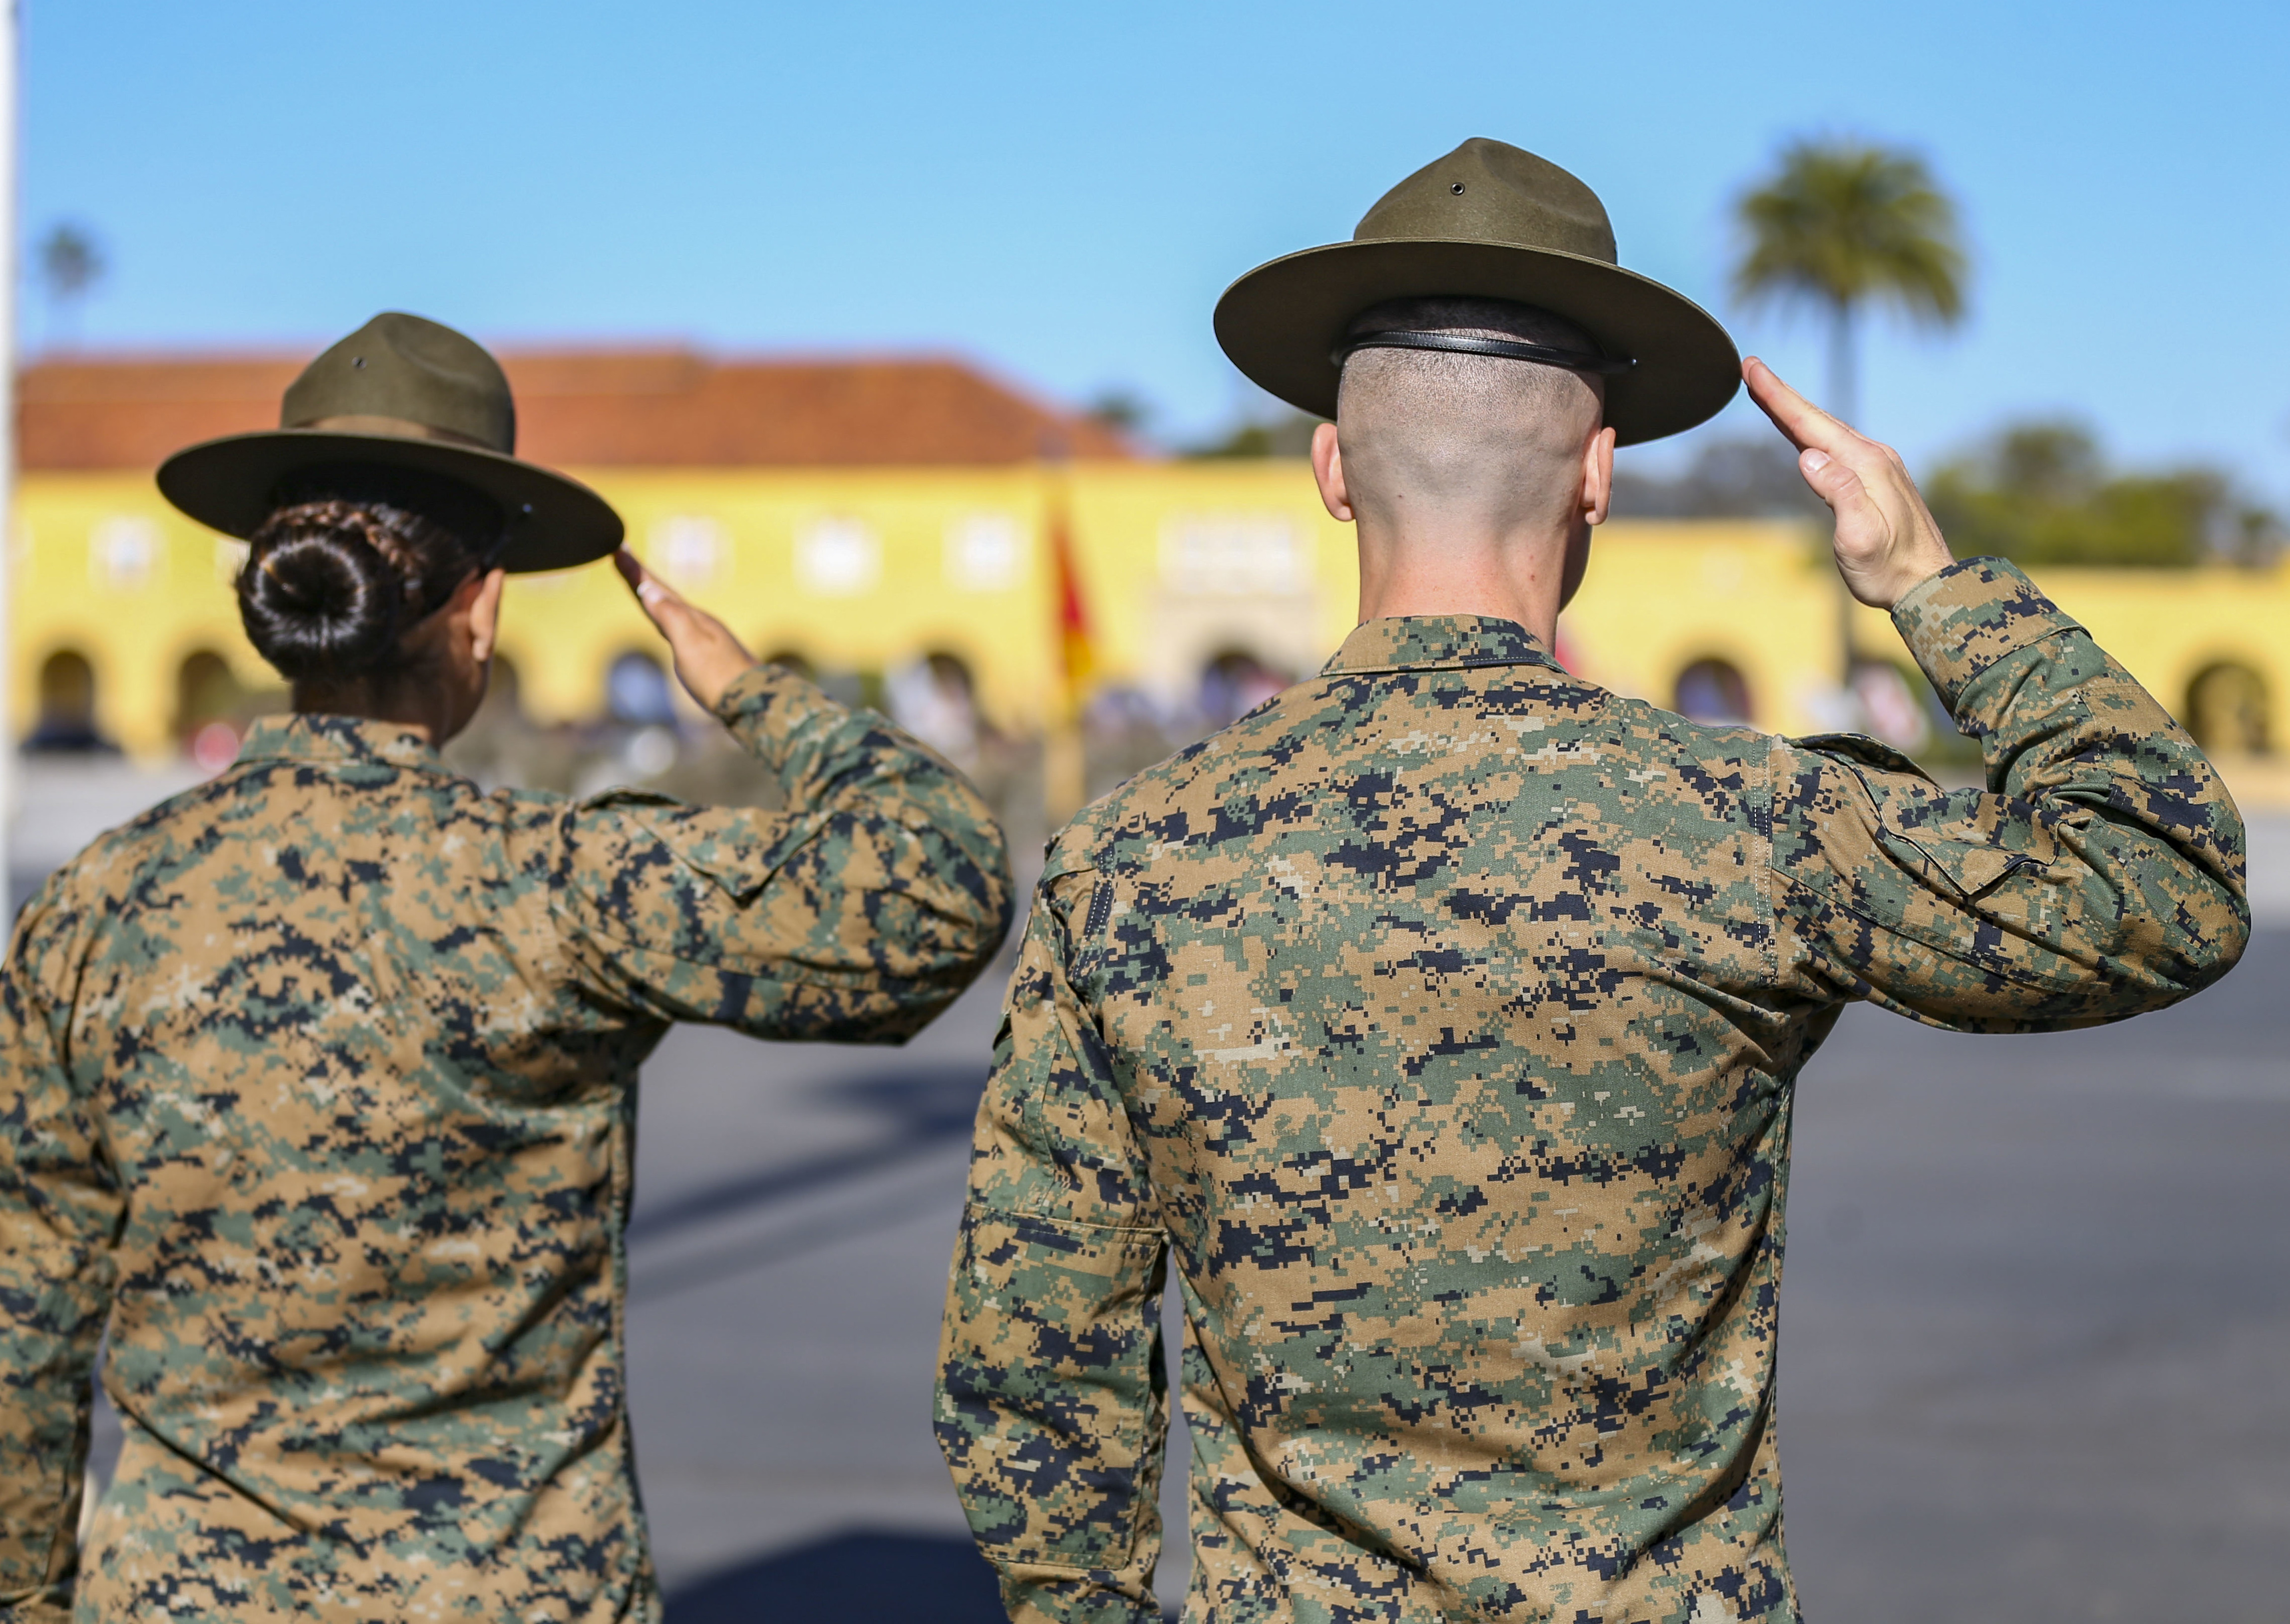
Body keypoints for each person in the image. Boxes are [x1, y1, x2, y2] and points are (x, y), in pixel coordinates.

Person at [934, 140, 2248, 1623]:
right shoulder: (1749, 827)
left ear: (1332, 471)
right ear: (1598, 475)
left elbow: (1036, 1361)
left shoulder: (1129, 863)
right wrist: (1934, 584)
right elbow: (2166, 879)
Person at [0, 312, 1014, 1622]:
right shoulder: (559, 880)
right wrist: (751, 690)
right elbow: (939, 886)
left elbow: (4, 1328)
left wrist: (19, 1606)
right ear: (481, 608)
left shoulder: (98, 904)